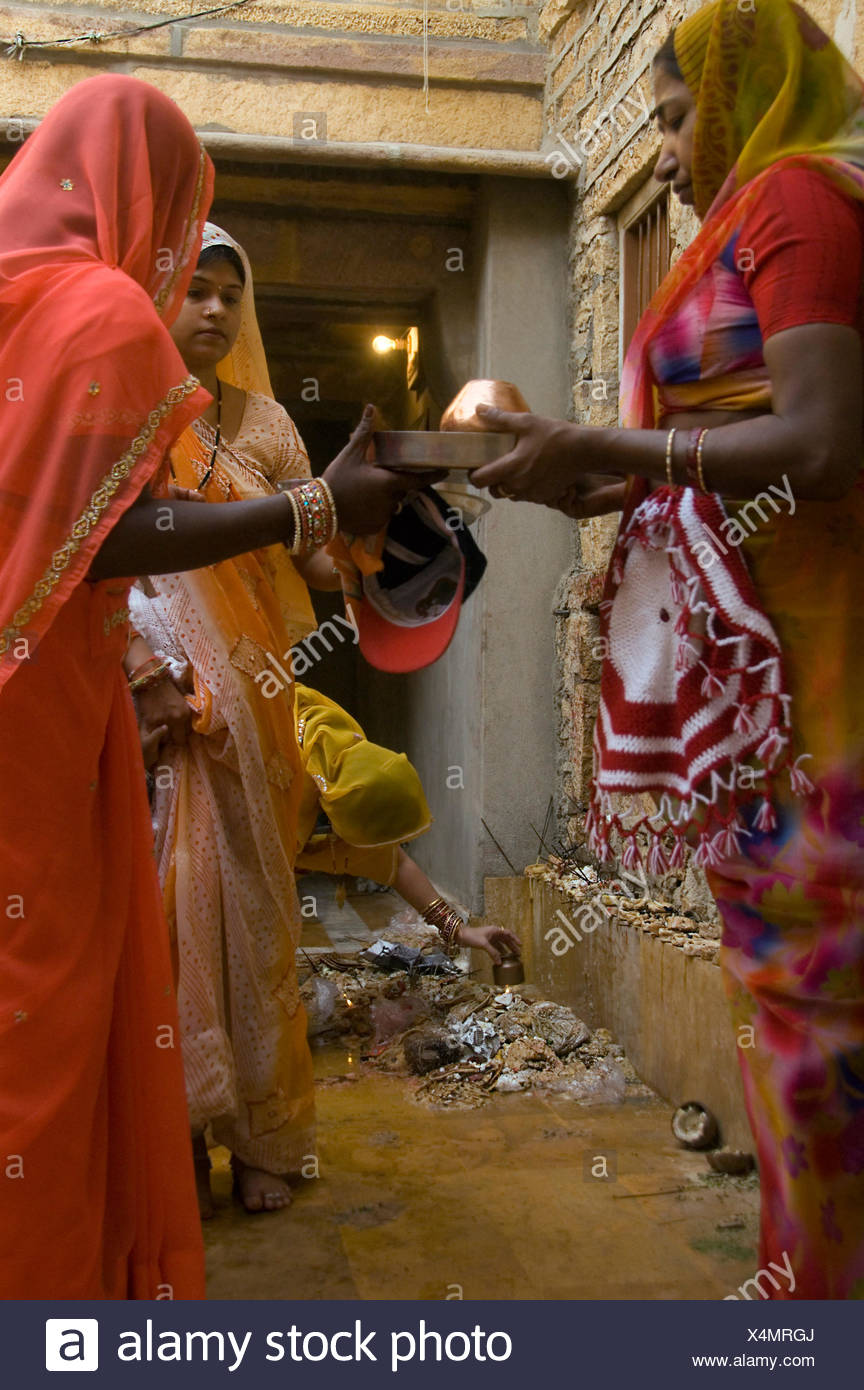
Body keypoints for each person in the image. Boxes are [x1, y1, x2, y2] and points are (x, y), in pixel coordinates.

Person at [469, 0, 864, 1299]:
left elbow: (812, 445)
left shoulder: (802, 197)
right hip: (747, 678)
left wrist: (616, 455)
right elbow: (690, 451)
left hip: (820, 669)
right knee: (787, 976)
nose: (672, 151)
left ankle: (822, 1293)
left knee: (825, 981)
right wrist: (558, 470)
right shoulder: (736, 223)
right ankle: (800, 1262)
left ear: (745, 95)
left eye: (677, 118)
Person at [0, 77, 423, 1299]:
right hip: (56, 713)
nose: (193, 273)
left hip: (126, 693)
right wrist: (318, 502)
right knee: (50, 1004)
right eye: (189, 230)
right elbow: (119, 532)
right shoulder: (101, 315)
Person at [128, 225, 518, 1217]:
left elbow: (312, 552)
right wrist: (139, 670)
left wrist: (393, 537)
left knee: (258, 924)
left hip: (258, 701)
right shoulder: (125, 416)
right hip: (155, 707)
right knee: (164, 926)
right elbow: (97, 564)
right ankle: (171, 1133)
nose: (214, 309)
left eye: (230, 293)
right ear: (155, 295)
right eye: (195, 290)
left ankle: (265, 1135)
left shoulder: (264, 429)